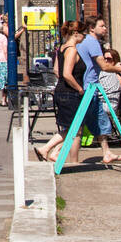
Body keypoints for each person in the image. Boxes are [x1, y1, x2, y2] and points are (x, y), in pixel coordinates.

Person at [76, 18, 121, 165]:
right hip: (90, 87)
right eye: (102, 26)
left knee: (96, 121)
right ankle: (52, 149)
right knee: (83, 122)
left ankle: (106, 152)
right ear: (92, 28)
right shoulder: (93, 43)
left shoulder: (85, 42)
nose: (105, 28)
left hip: (88, 86)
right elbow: (104, 66)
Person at [37, 20, 88, 165]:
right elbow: (66, 74)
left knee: (72, 128)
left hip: (61, 91)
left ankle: (55, 152)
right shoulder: (72, 50)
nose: (84, 37)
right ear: (76, 34)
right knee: (75, 129)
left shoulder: (61, 48)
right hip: (70, 93)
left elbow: (56, 70)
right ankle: (46, 148)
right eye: (83, 34)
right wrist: (79, 88)